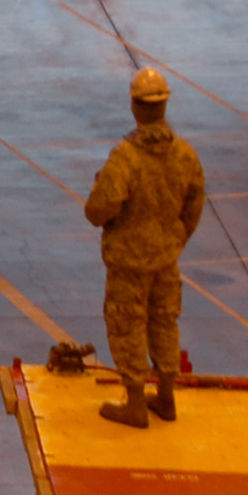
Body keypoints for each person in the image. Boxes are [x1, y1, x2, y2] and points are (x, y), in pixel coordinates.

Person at [83, 66, 206, 430]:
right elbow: (194, 206)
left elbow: (97, 211)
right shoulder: (185, 155)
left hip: (129, 262)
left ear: (134, 107)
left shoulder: (126, 158)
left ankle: (135, 404)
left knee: (128, 326)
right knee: (164, 323)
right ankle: (166, 397)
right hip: (166, 260)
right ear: (164, 106)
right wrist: (174, 240)